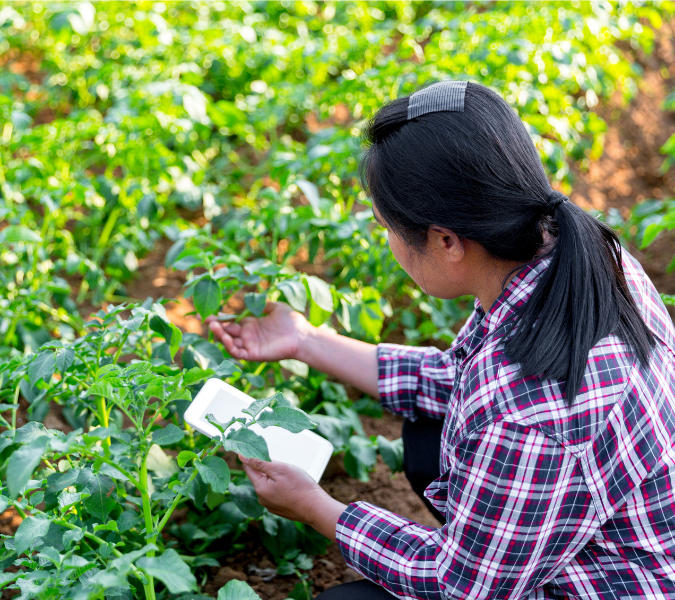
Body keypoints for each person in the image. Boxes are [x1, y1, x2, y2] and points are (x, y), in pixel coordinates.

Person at [207, 81, 675, 599]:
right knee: (427, 439)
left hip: (616, 585)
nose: (389, 242)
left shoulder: (529, 412)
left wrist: (314, 506)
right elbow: (461, 379)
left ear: (447, 241)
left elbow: (459, 583)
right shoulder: (574, 254)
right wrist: (307, 340)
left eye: (387, 227)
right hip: (617, 531)